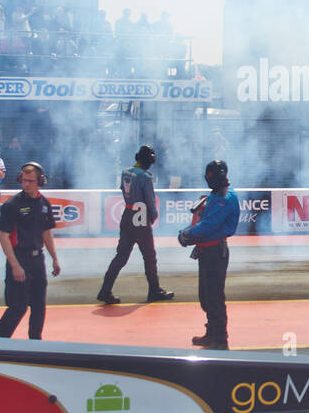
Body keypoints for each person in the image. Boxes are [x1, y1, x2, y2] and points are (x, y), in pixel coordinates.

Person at [0, 162, 61, 340]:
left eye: (30, 180)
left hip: (38, 261)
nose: (26, 184)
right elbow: (4, 237)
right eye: (23, 180)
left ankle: (35, 343)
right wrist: (15, 266)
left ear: (40, 182)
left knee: (39, 306)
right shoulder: (12, 205)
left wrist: (54, 258)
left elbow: (47, 232)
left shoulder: (44, 203)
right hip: (19, 259)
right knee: (18, 307)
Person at [96, 145, 174, 304]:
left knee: (121, 257)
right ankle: (154, 290)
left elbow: (122, 189)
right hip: (140, 216)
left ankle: (105, 290)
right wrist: (153, 214)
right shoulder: (145, 177)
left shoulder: (126, 172)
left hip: (127, 213)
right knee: (150, 257)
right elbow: (150, 199)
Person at [179, 159, 241, 350]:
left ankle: (220, 339)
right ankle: (211, 332)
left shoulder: (225, 198)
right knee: (206, 296)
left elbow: (209, 225)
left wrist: (187, 234)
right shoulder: (216, 195)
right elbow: (204, 221)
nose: (208, 179)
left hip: (215, 251)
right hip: (206, 251)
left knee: (214, 297)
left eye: (211, 176)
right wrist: (188, 232)